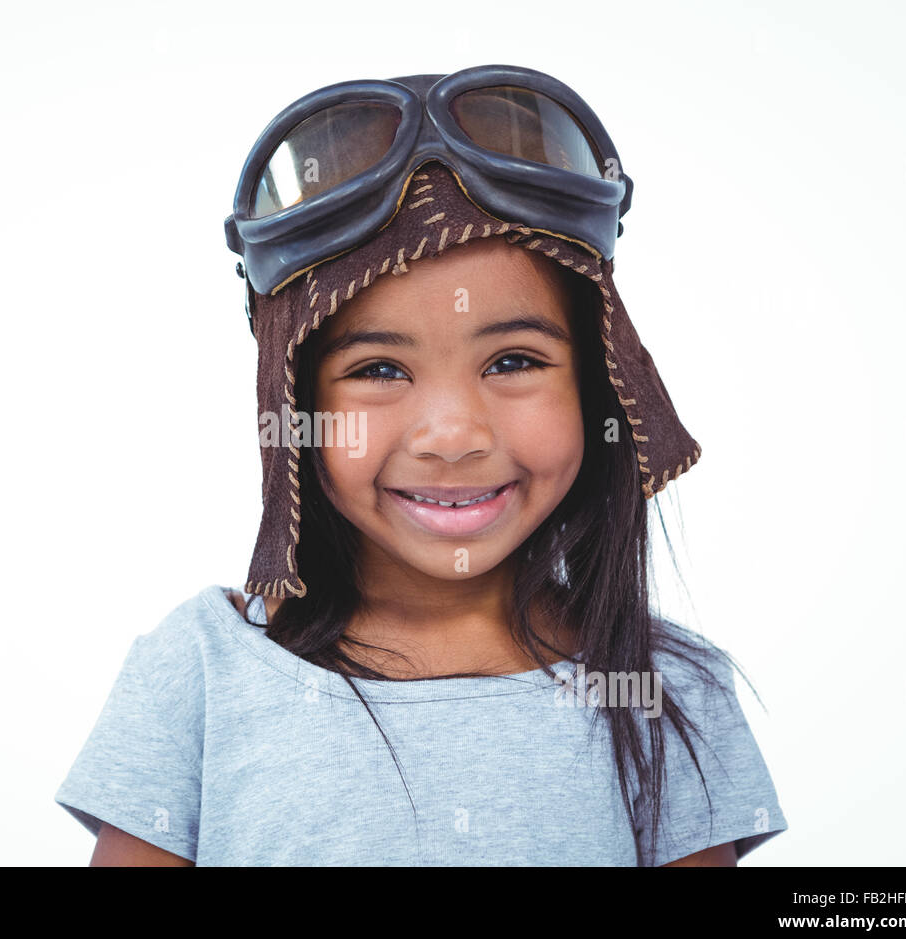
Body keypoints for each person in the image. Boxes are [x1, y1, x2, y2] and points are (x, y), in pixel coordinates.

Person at [54, 65, 788, 866]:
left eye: (512, 361)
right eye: (378, 370)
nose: (452, 435)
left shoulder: (668, 692)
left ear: (602, 380)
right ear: (293, 402)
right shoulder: (199, 673)